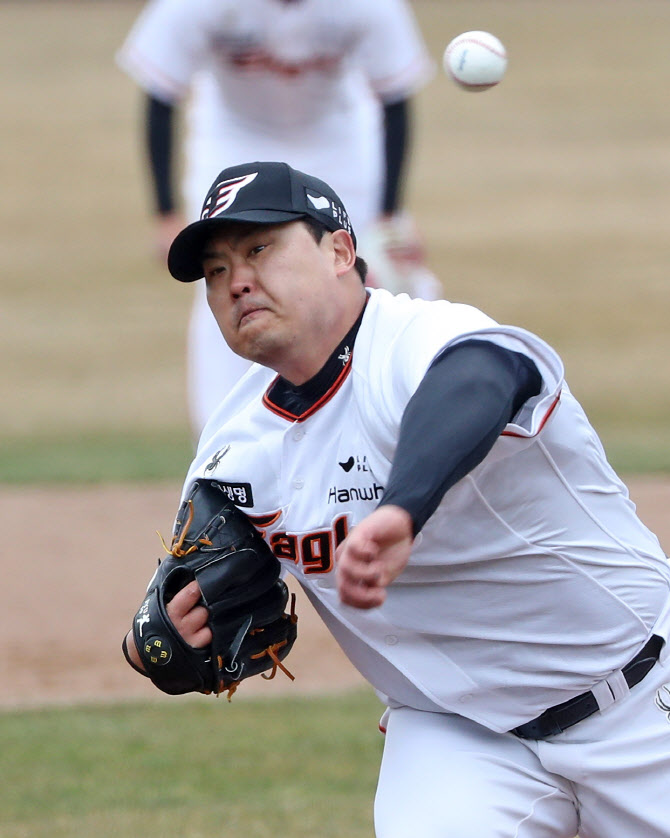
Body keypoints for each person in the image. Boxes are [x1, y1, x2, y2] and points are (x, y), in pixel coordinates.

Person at [124, 161, 670, 838]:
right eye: (215, 270)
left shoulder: (418, 341)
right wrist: (158, 643)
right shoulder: (231, 452)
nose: (237, 280)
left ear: (341, 251)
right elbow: (185, 601)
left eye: (260, 249)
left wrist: (403, 508)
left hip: (638, 703)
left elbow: (481, 380)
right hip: (459, 738)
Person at [116, 0, 439, 435]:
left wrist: (387, 215)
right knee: (229, 277)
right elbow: (160, 90)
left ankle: (407, 420)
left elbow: (395, 98)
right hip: (232, 136)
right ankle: (223, 440)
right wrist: (165, 214)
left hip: (338, 136)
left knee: (375, 274)